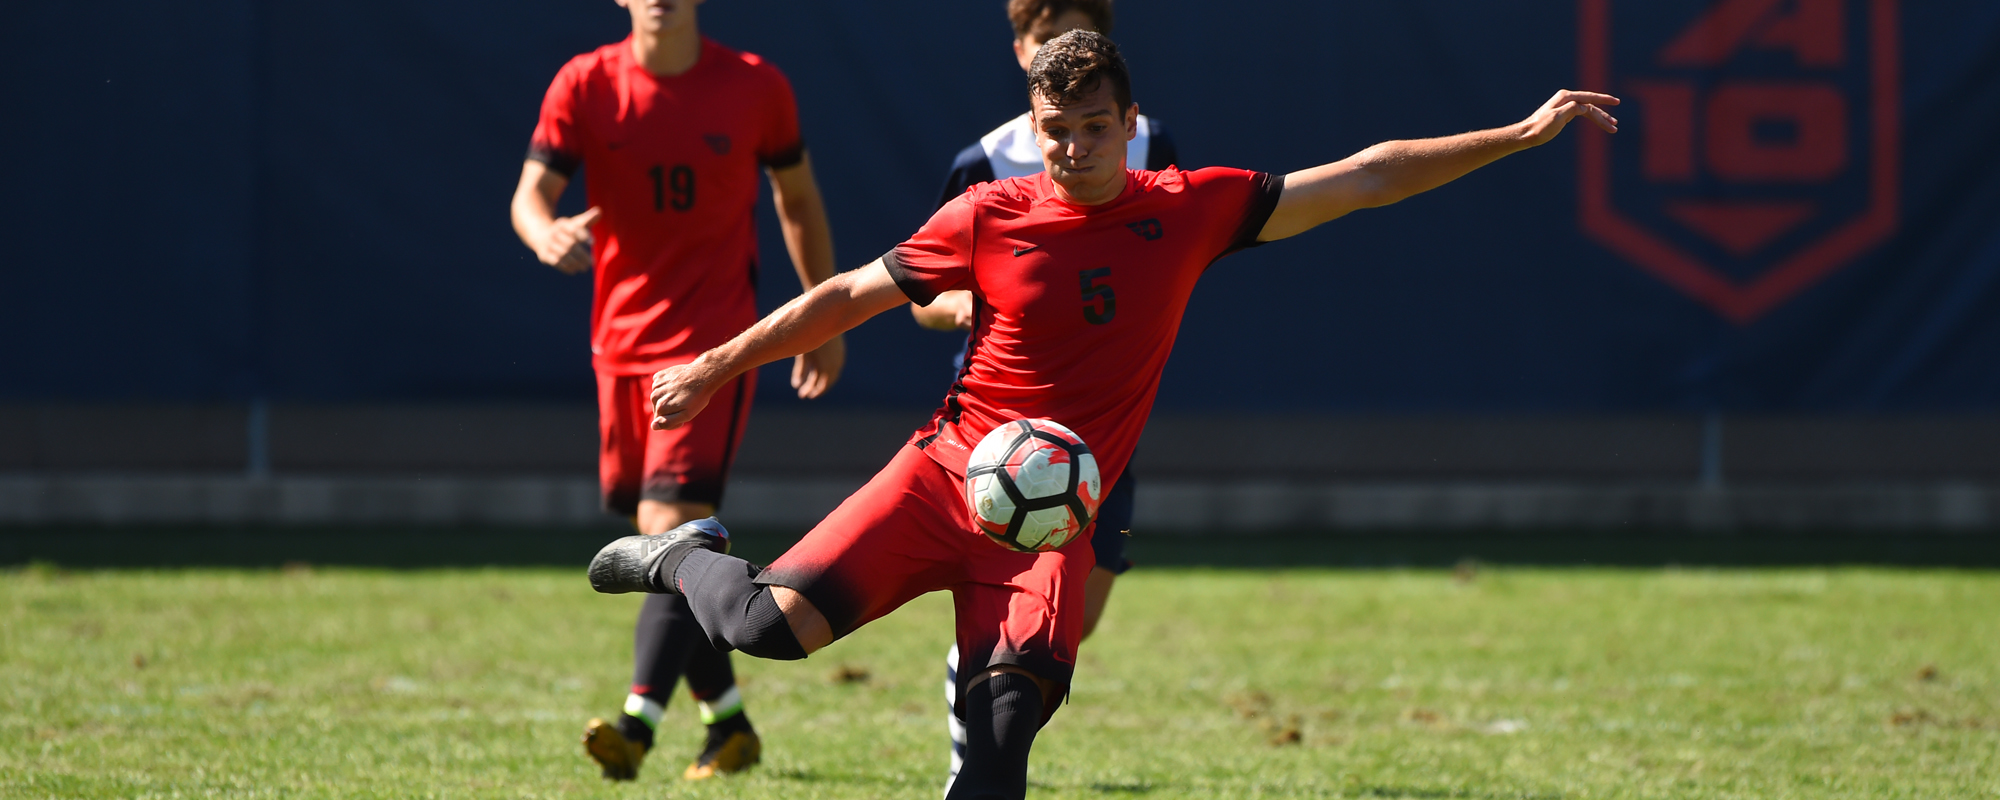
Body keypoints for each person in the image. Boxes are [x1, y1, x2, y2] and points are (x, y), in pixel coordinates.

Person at [588, 30, 1618, 800]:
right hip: (940, 476)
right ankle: (684, 552)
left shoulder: (1186, 207)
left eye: (1093, 129)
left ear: (1128, 126)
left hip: (1045, 522)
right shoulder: (988, 214)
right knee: (764, 626)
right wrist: (721, 364)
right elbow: (849, 293)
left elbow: (1365, 176)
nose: (1074, 149)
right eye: (1055, 132)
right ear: (1030, 134)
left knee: (998, 753)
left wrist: (1521, 134)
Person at [508, 0, 843, 783]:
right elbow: (530, 194)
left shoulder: (756, 86)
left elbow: (797, 200)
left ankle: (636, 725)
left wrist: (824, 320)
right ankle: (728, 725)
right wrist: (543, 232)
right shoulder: (585, 83)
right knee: (655, 548)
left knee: (669, 530)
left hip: (711, 351)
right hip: (616, 349)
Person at [907, 1, 1168, 790]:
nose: (1065, 57)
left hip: (1103, 421)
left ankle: (986, 725)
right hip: (1001, 429)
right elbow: (921, 292)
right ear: (1021, 56)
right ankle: (976, 761)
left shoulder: (1148, 144)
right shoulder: (984, 161)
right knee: (1006, 618)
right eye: (1046, 44)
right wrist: (970, 302)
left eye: (1083, 41)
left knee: (1077, 615)